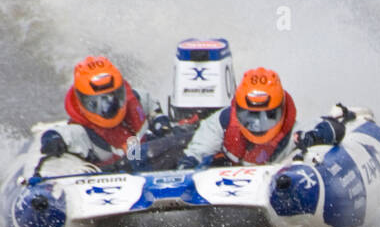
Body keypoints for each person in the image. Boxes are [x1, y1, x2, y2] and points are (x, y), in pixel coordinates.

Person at [178, 66, 352, 168]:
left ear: (281, 111)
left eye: (268, 116)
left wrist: (312, 137)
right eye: (250, 116)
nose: (258, 125)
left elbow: (334, 128)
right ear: (238, 110)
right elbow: (193, 156)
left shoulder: (294, 132)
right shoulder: (221, 123)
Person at [39, 55, 175, 170]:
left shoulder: (136, 100)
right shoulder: (81, 132)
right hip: (114, 183)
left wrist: (160, 121)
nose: (108, 108)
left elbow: (151, 106)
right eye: (96, 103)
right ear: (82, 101)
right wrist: (52, 139)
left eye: (112, 98)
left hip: (151, 165)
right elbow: (62, 135)